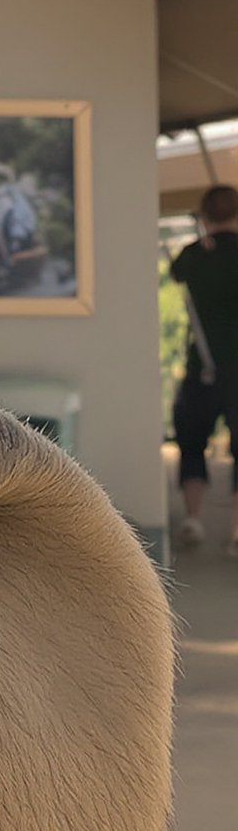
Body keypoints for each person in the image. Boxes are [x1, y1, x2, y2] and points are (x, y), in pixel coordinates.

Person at [170, 183, 238, 555]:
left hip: (204, 366)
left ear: (205, 216)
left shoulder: (195, 254)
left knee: (192, 442)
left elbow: (178, 272)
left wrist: (202, 243)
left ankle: (194, 518)